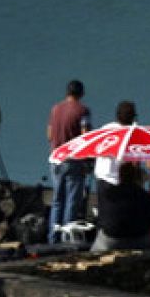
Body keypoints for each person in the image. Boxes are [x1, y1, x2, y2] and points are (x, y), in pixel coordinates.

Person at [46, 79, 92, 242]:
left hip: (55, 158)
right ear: (81, 94)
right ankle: (67, 239)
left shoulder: (55, 109)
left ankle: (52, 237)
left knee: (57, 199)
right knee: (72, 200)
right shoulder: (82, 110)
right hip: (73, 159)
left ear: (67, 92)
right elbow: (85, 134)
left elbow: (50, 135)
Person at [92, 162, 150, 252]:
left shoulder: (109, 194)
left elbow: (103, 219)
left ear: (120, 176)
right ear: (137, 177)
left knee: (95, 250)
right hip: (139, 239)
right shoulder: (145, 196)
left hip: (111, 239)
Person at [93, 101, 138, 189]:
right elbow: (134, 161)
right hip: (118, 179)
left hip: (101, 176)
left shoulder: (106, 128)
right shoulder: (131, 133)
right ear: (132, 117)